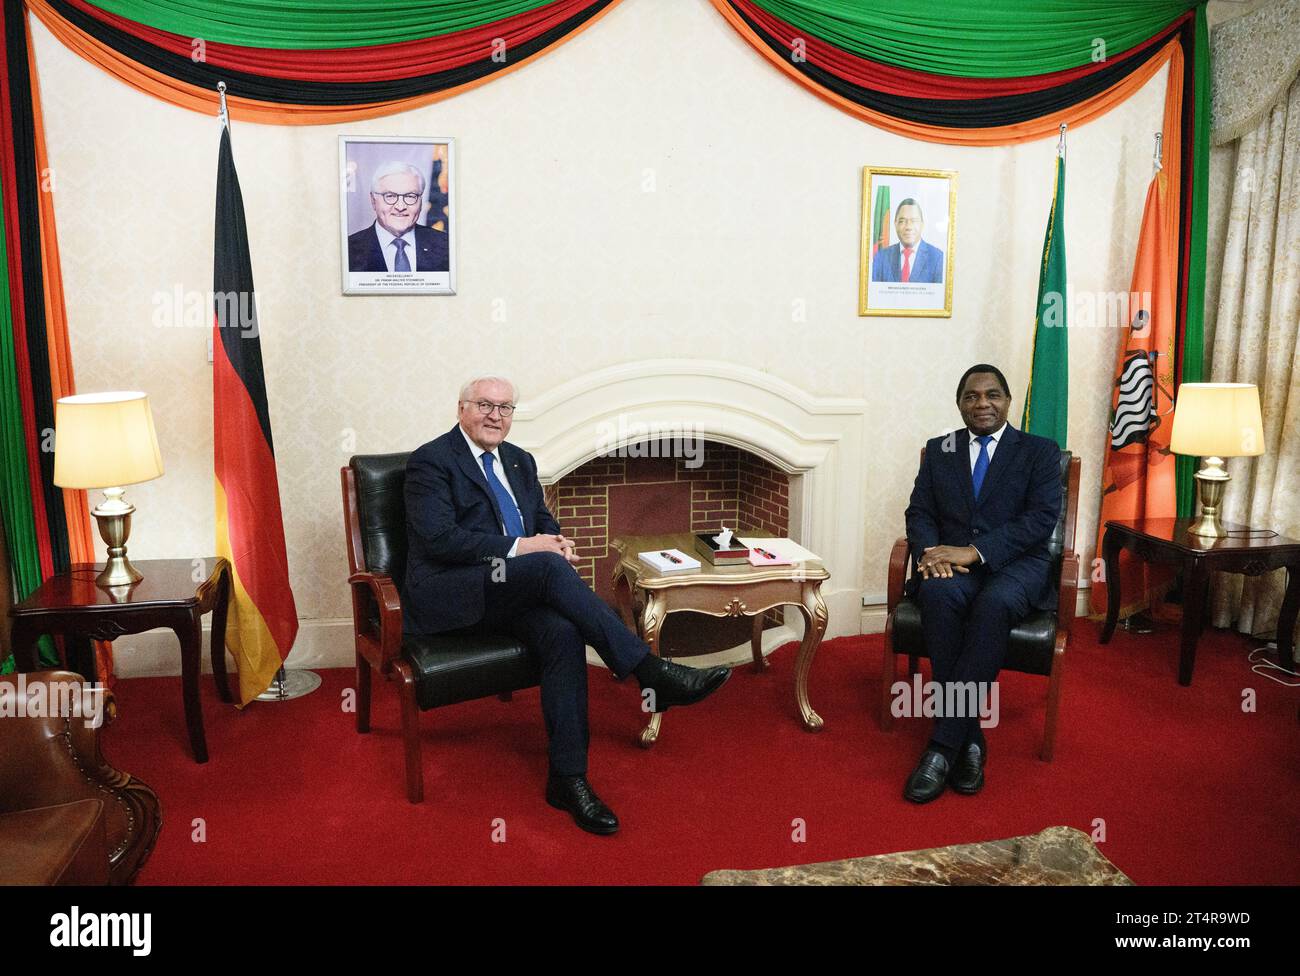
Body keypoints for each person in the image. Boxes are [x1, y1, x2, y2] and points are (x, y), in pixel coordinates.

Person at [403, 376, 731, 834]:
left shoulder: (519, 461)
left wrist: (555, 541)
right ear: (461, 408)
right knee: (546, 568)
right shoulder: (432, 461)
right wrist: (527, 548)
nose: (496, 415)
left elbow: (539, 519)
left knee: (563, 631)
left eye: (505, 407)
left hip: (509, 590)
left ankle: (568, 778)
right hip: (450, 591)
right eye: (484, 405)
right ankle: (649, 671)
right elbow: (440, 540)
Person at [901, 364, 1062, 803]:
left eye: (992, 395)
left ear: (1008, 402)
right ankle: (971, 739)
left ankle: (942, 745)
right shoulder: (941, 450)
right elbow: (920, 513)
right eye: (971, 396)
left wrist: (975, 552)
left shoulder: (1040, 452)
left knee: (994, 605)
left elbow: (1040, 520)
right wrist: (929, 554)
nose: (982, 403)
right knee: (937, 594)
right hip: (951, 564)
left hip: (1016, 565)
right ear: (959, 404)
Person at [347, 161, 449, 273]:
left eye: (410, 196)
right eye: (390, 196)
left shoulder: (446, 245)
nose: (400, 207)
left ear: (420, 201)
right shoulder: (348, 250)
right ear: (373, 201)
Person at [871, 199, 944, 284]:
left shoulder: (937, 258)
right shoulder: (881, 257)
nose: (908, 227)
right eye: (902, 221)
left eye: (914, 221)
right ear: (895, 224)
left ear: (922, 224)